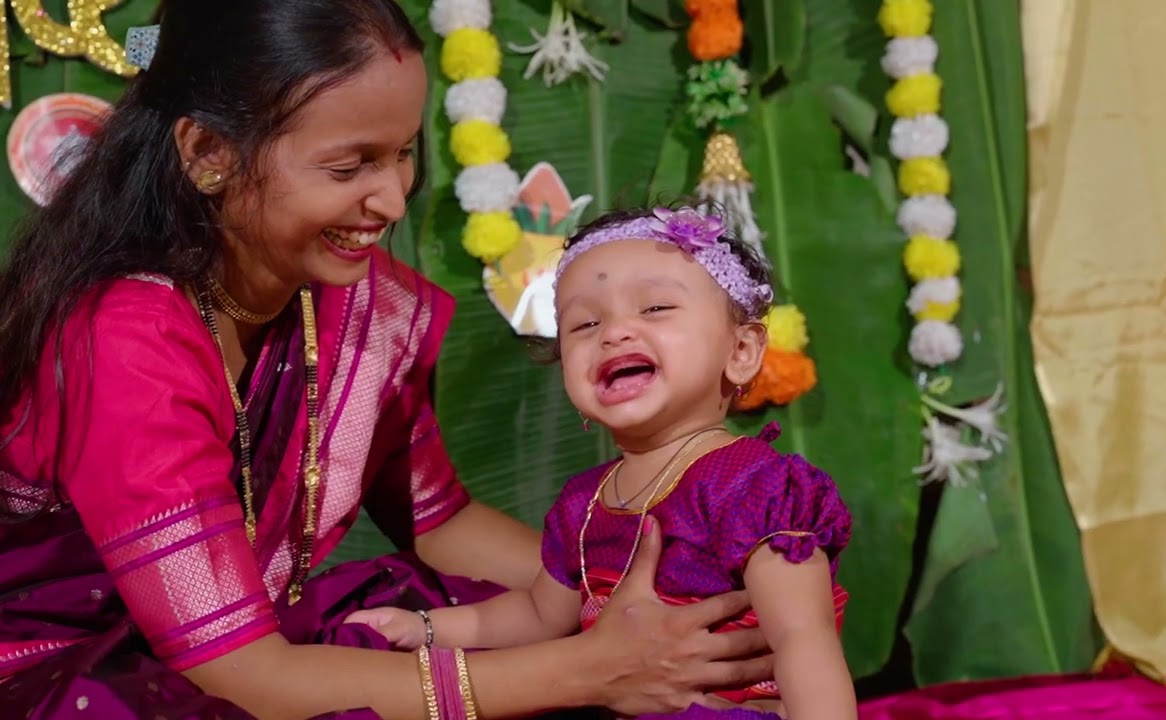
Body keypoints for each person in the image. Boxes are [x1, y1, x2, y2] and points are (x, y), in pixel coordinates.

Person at [0, 3, 772, 718]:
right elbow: (247, 674)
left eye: (402, 154)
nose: (394, 200)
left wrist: (646, 578)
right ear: (208, 154)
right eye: (349, 168)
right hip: (74, 679)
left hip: (244, 646)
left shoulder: (346, 300)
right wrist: (596, 667)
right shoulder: (123, 338)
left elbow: (441, 523)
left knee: (441, 612)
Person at [345, 206, 859, 720]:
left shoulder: (756, 486)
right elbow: (538, 614)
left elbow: (802, 637)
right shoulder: (584, 502)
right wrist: (429, 629)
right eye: (585, 323)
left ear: (742, 350)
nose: (614, 333)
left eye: (655, 308)